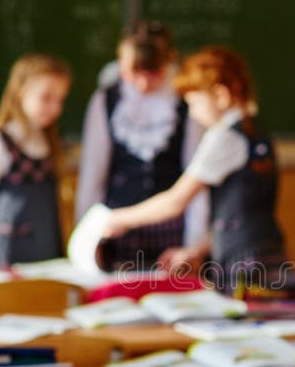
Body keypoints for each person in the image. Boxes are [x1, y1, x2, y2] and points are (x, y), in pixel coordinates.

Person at [104, 46, 287, 289]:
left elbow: (175, 201)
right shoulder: (256, 131)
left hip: (240, 264)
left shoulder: (224, 137)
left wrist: (120, 218)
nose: (193, 114)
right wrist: (197, 250)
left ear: (221, 96)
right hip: (266, 252)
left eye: (195, 103)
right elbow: (238, 212)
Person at [76, 20, 207, 271]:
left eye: (153, 72)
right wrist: (87, 239)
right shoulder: (107, 101)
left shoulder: (185, 102)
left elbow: (197, 179)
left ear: (170, 61)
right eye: (133, 73)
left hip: (171, 236)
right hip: (115, 233)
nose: (143, 83)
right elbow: (92, 175)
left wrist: (193, 245)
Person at [0, 53, 71, 266]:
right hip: (8, 252)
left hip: (46, 250)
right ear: (21, 91)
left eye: (60, 100)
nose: (55, 108)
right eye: (46, 97)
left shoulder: (51, 144)